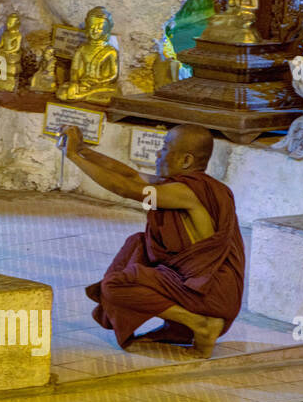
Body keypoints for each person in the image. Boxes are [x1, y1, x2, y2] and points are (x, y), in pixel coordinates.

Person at [61, 123, 244, 358]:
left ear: (186, 160)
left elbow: (125, 188)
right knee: (137, 244)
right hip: (203, 289)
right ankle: (179, 328)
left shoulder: (187, 192)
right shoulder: (183, 186)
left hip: (207, 295)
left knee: (115, 286)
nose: (158, 153)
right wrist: (84, 150)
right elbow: (129, 175)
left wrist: (74, 157)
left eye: (165, 148)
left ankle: (200, 325)